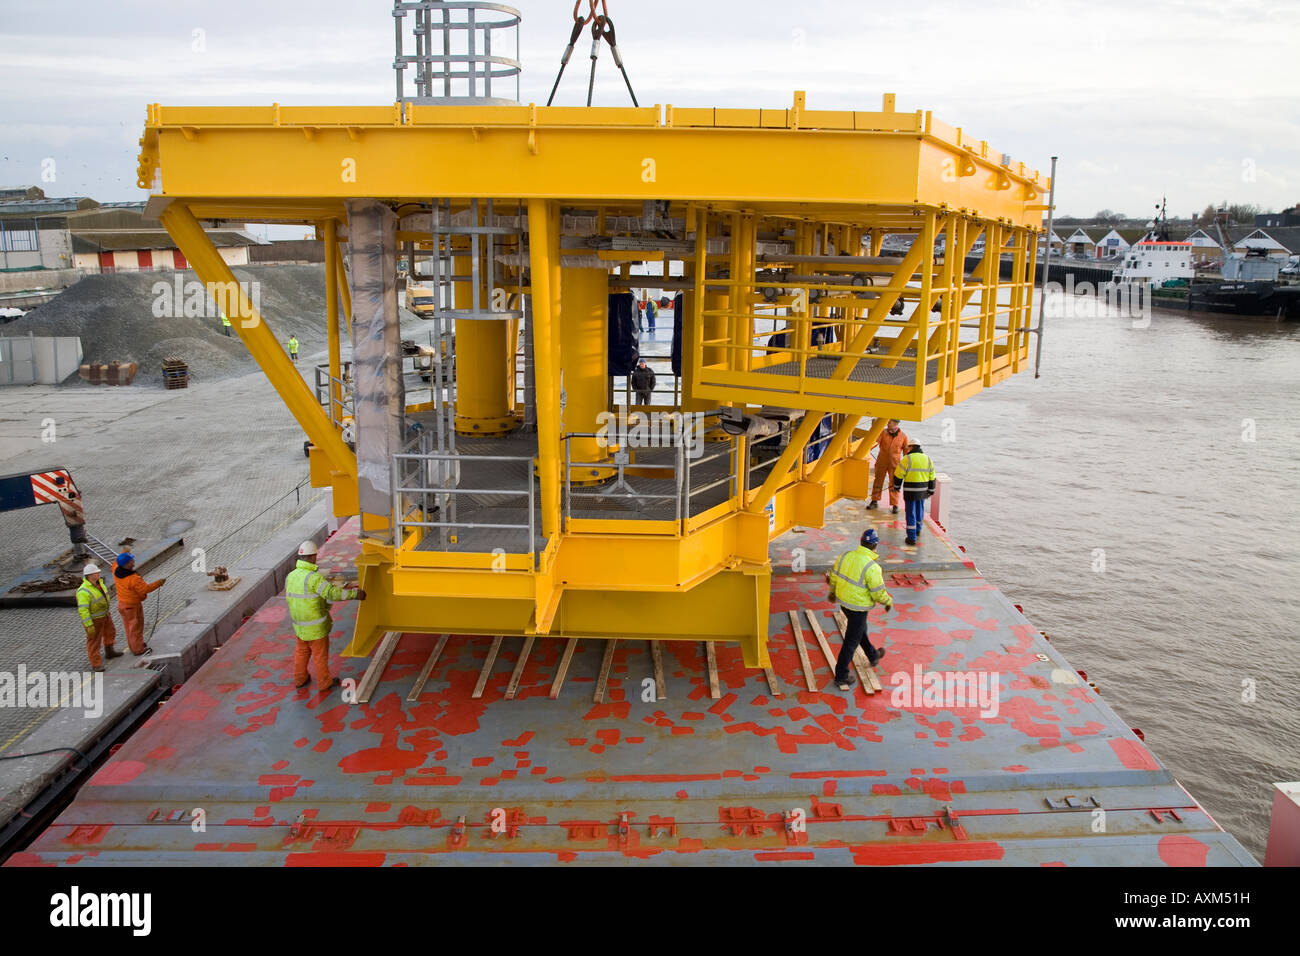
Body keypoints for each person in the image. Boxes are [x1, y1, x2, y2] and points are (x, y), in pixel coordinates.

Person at [285, 540, 366, 692]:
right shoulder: (314, 578)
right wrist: (355, 594)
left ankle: (300, 679)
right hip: (316, 627)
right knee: (319, 656)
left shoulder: (291, 576)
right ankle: (324, 682)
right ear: (312, 557)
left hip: (299, 625)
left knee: (301, 652)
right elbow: (331, 593)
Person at [826, 528, 893, 691]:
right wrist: (887, 601)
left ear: (861, 541)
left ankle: (873, 655)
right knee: (851, 641)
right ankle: (841, 676)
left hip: (844, 603)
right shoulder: (872, 567)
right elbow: (878, 593)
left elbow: (833, 576)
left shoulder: (846, 556)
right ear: (875, 546)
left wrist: (832, 593)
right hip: (858, 607)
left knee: (859, 629)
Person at [113, 552, 165, 656]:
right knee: (136, 627)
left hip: (123, 605)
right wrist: (159, 583)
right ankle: (138, 649)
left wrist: (124, 551)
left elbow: (115, 563)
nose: (134, 562)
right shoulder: (133, 579)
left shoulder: (116, 571)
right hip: (132, 607)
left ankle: (136, 644)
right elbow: (146, 589)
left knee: (129, 628)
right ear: (127, 564)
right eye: (131, 561)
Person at [76, 563, 121, 672]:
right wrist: (89, 625)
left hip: (105, 615)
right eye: (96, 572)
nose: (98, 574)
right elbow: (83, 610)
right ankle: (96, 664)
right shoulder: (83, 591)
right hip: (94, 620)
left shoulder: (100, 584)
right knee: (94, 641)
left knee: (110, 632)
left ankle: (109, 651)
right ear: (90, 575)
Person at [893, 442, 936, 546]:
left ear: (911, 447)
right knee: (920, 510)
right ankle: (918, 530)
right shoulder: (928, 459)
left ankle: (911, 538)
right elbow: (932, 476)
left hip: (910, 491)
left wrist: (897, 487)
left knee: (910, 513)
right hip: (923, 491)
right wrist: (931, 490)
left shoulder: (907, 459)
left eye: (908, 447)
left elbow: (898, 475)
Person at [867, 419, 909, 514]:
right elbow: (874, 442)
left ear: (896, 424)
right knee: (878, 482)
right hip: (882, 462)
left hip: (895, 464)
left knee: (894, 484)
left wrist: (906, 466)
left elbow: (906, 452)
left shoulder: (903, 436)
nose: (888, 423)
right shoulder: (883, 433)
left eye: (890, 422)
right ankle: (874, 500)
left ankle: (895, 504)